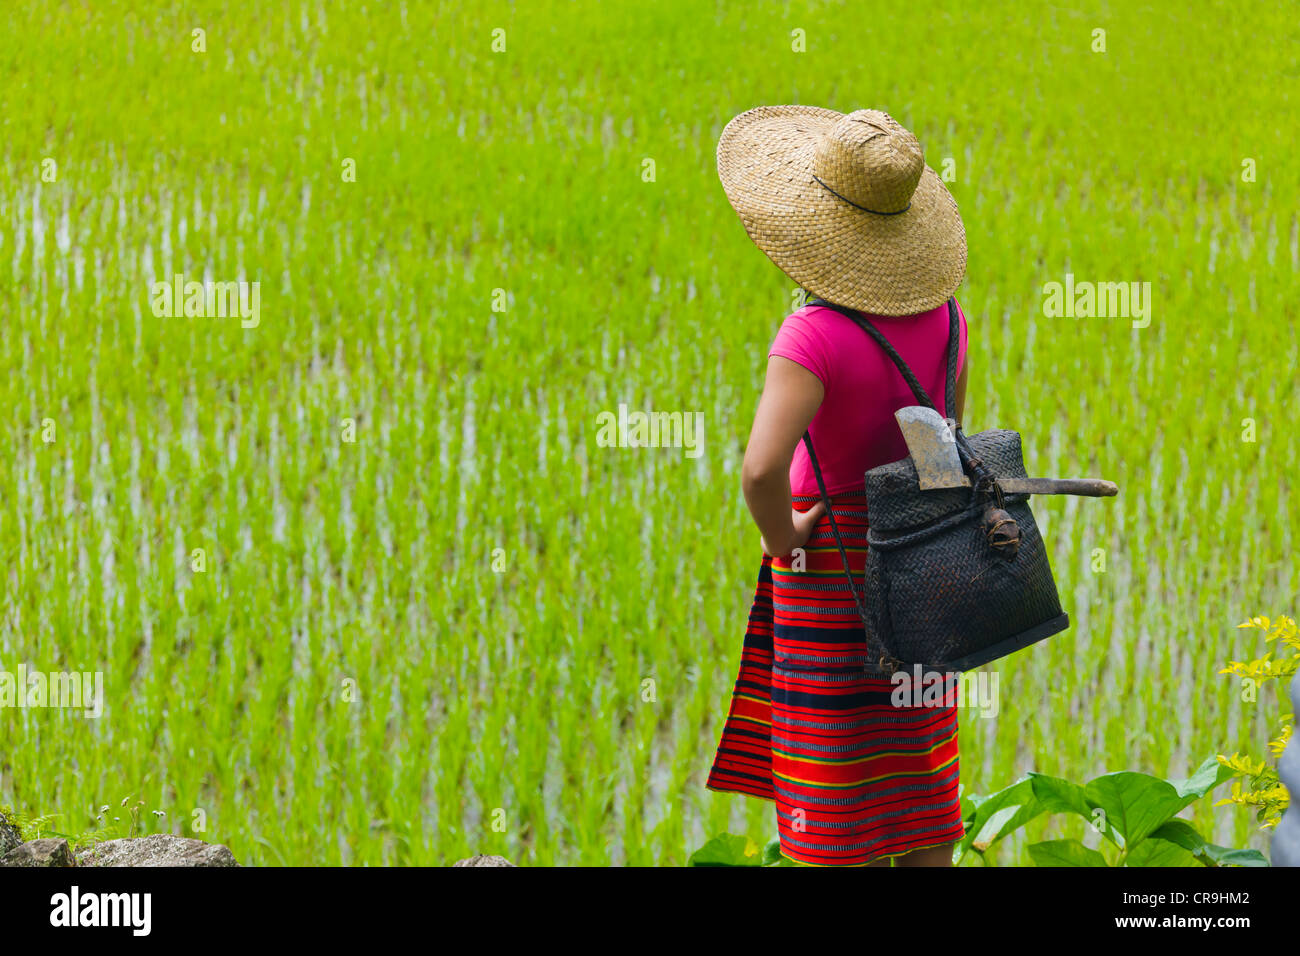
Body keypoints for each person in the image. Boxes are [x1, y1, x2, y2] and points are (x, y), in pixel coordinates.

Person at [706, 106, 970, 867]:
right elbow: (942, 440)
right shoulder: (949, 319)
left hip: (833, 571)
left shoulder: (812, 336)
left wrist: (781, 537)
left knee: (834, 762)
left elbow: (760, 469)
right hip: (921, 561)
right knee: (917, 755)